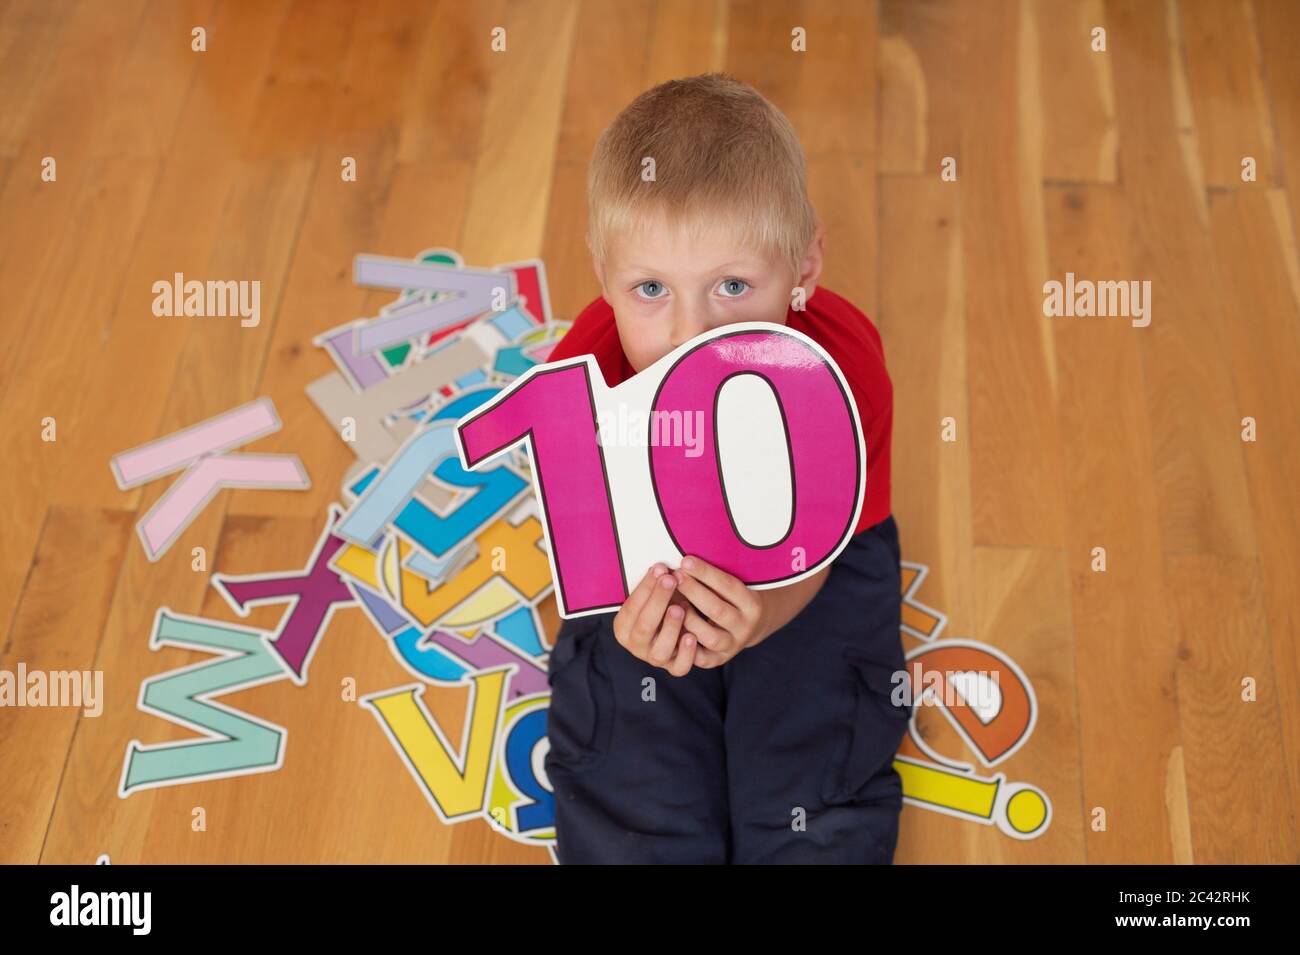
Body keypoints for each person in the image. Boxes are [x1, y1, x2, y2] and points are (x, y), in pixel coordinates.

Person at [541, 72, 913, 864]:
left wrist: (762, 618)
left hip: (814, 563)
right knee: (630, 766)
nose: (689, 334)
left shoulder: (847, 372)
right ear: (604, 277)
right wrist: (635, 630)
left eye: (734, 286)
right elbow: (590, 546)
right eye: (650, 290)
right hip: (651, 577)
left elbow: (831, 543)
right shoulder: (583, 373)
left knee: (813, 773)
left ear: (804, 264)